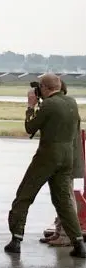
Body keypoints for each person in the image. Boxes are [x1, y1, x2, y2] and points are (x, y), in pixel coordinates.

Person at [5, 73, 86, 259]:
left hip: (48, 156)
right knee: (64, 202)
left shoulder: (48, 105)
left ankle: (16, 239)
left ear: (44, 87)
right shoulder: (72, 102)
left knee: (24, 196)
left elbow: (30, 127)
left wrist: (30, 106)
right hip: (67, 158)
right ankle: (78, 243)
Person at [39, 80, 86, 246]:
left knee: (66, 197)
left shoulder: (63, 109)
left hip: (67, 160)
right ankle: (60, 230)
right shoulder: (68, 106)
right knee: (62, 197)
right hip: (67, 158)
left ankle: (67, 235)